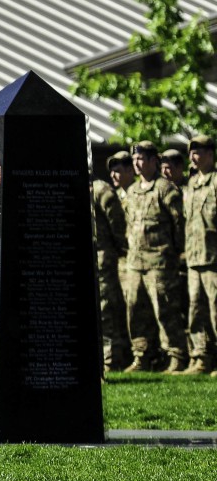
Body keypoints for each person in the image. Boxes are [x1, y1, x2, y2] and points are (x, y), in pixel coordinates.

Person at [122, 141, 187, 373]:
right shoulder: (132, 191)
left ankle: (176, 356)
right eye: (135, 160)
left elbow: (179, 224)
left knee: (165, 310)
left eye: (141, 159)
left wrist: (175, 251)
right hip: (135, 262)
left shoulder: (165, 189)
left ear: (153, 161)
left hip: (160, 262)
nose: (137, 164)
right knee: (135, 310)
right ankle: (142, 356)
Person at [184, 135, 217, 374]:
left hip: (214, 258)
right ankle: (200, 357)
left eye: (198, 151)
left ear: (210, 154)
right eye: (191, 152)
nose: (194, 156)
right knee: (195, 309)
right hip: (195, 258)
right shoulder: (192, 184)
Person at [92, 173, 131, 373]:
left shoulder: (100, 189)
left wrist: (119, 247)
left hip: (103, 258)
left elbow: (117, 222)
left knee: (107, 308)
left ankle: (111, 358)